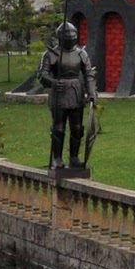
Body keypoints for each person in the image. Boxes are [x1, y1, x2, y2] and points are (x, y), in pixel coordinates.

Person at [37, 22, 96, 170]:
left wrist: (91, 93)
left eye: (72, 37)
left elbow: (89, 74)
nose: (70, 40)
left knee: (77, 128)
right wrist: (52, 82)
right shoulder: (51, 54)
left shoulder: (81, 53)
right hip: (59, 94)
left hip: (76, 92)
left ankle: (74, 157)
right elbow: (42, 74)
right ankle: (57, 158)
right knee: (59, 128)